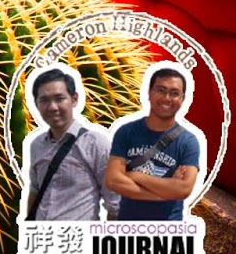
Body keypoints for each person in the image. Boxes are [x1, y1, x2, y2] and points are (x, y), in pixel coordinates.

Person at [106, 67, 201, 221]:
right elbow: (113, 180)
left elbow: (183, 189)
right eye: (161, 90)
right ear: (149, 93)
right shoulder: (126, 132)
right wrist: (164, 193)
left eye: (174, 93)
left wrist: (136, 176)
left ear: (182, 99)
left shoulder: (188, 141)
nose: (167, 98)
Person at [23, 68, 117, 222]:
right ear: (36, 104)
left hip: (79, 242)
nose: (52, 107)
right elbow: (35, 190)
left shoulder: (96, 144)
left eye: (59, 98)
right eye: (44, 100)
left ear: (74, 99)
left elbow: (115, 204)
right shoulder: (37, 144)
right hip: (43, 242)